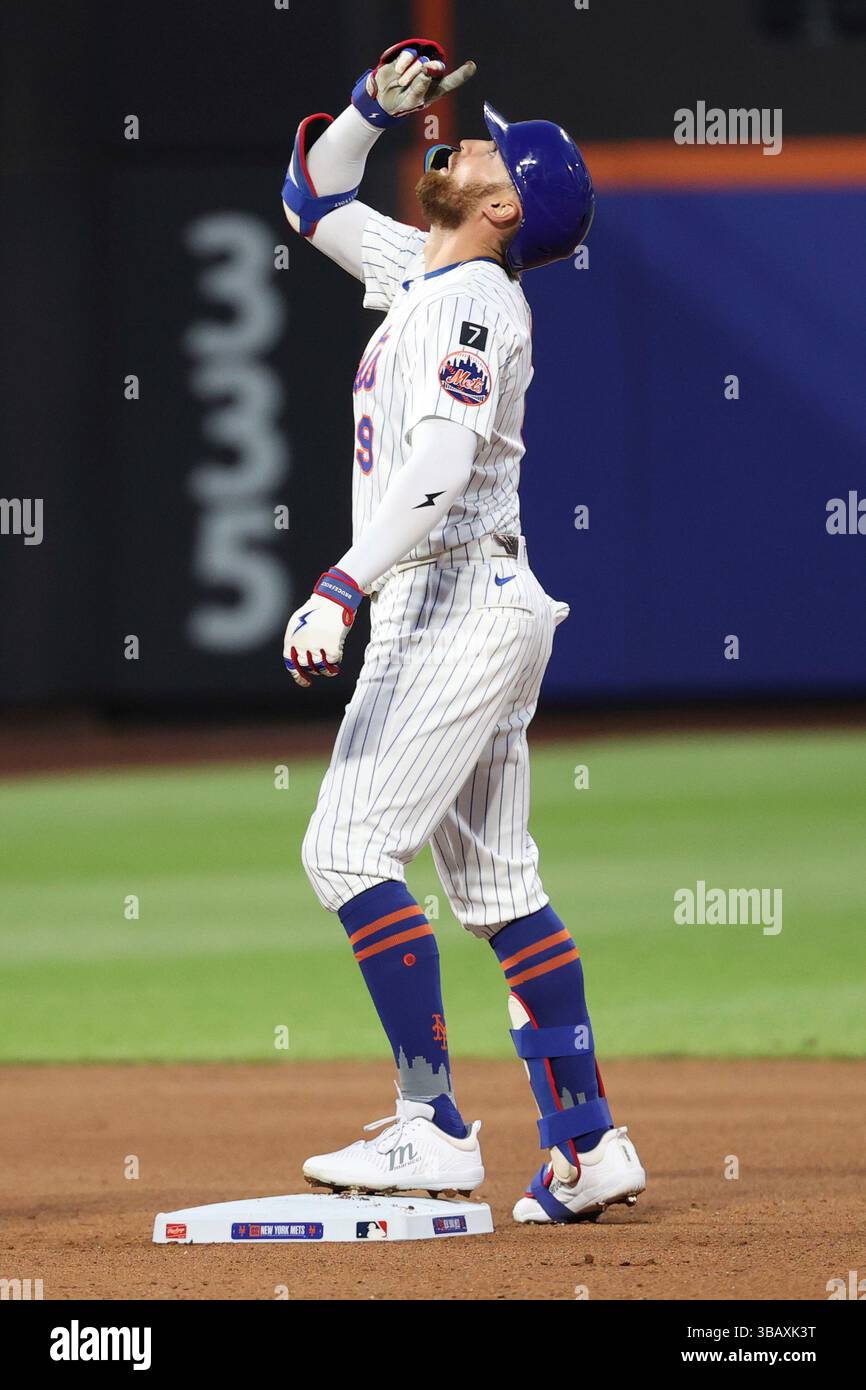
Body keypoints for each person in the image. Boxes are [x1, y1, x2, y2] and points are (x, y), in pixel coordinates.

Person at [280, 39, 645, 1224]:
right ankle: (586, 1145)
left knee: (344, 851)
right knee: (495, 888)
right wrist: (365, 108)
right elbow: (311, 198)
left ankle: (431, 1125)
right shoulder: (422, 269)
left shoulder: (474, 302)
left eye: (487, 145)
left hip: (445, 597)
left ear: (500, 205)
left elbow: (438, 462)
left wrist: (341, 582)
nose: (464, 134)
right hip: (473, 602)